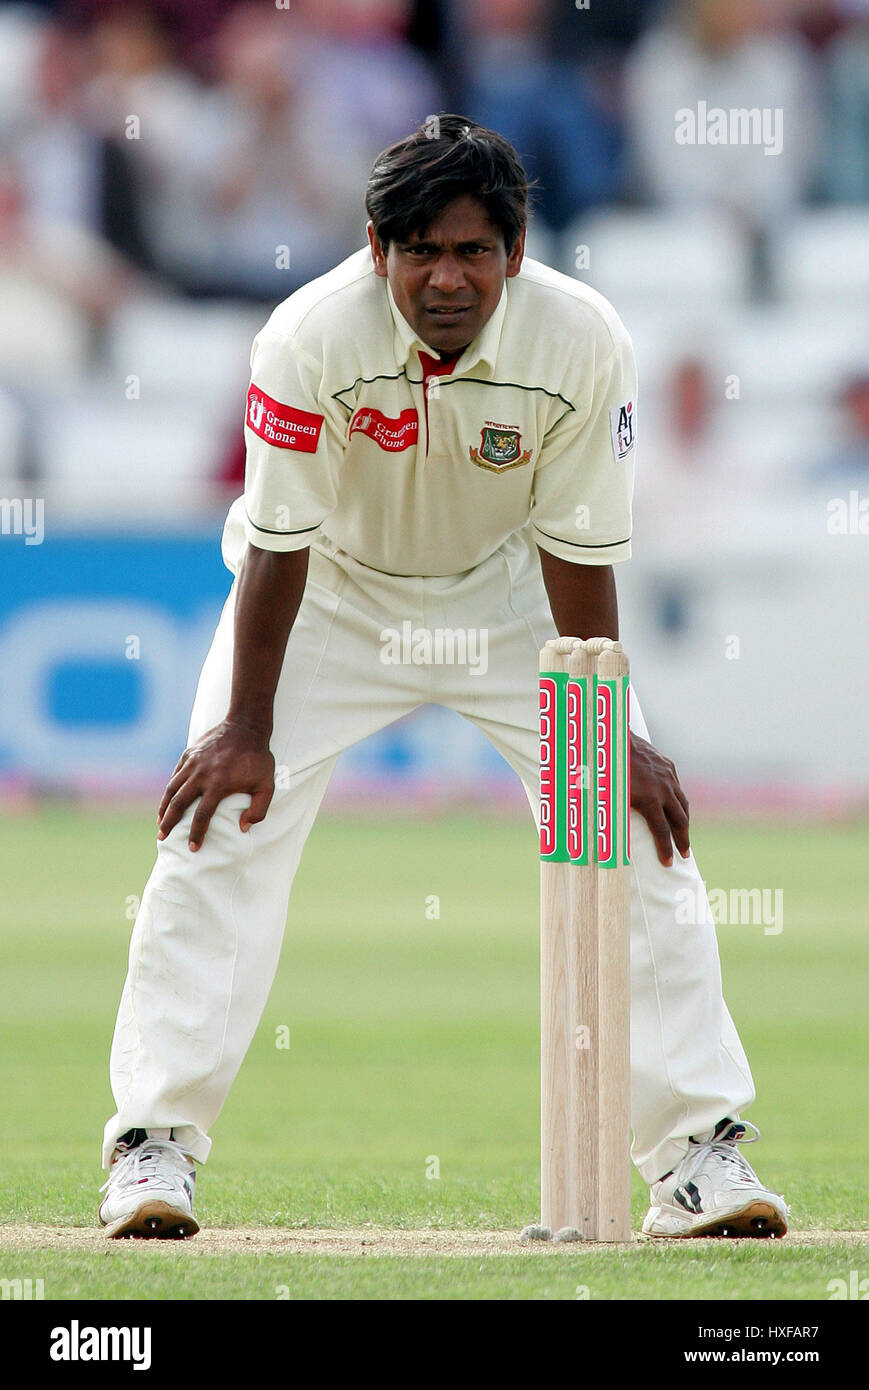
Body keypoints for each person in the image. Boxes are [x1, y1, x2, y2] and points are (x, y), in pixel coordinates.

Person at [98, 115, 789, 1242]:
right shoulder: (307, 336)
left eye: (472, 250)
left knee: (621, 823)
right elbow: (276, 546)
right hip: (328, 593)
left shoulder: (580, 338)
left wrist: (599, 728)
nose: (447, 276)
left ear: (515, 254)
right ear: (376, 250)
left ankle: (693, 1158)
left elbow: (578, 548)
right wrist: (245, 729)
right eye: (420, 250)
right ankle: (152, 1147)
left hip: (507, 595)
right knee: (215, 822)